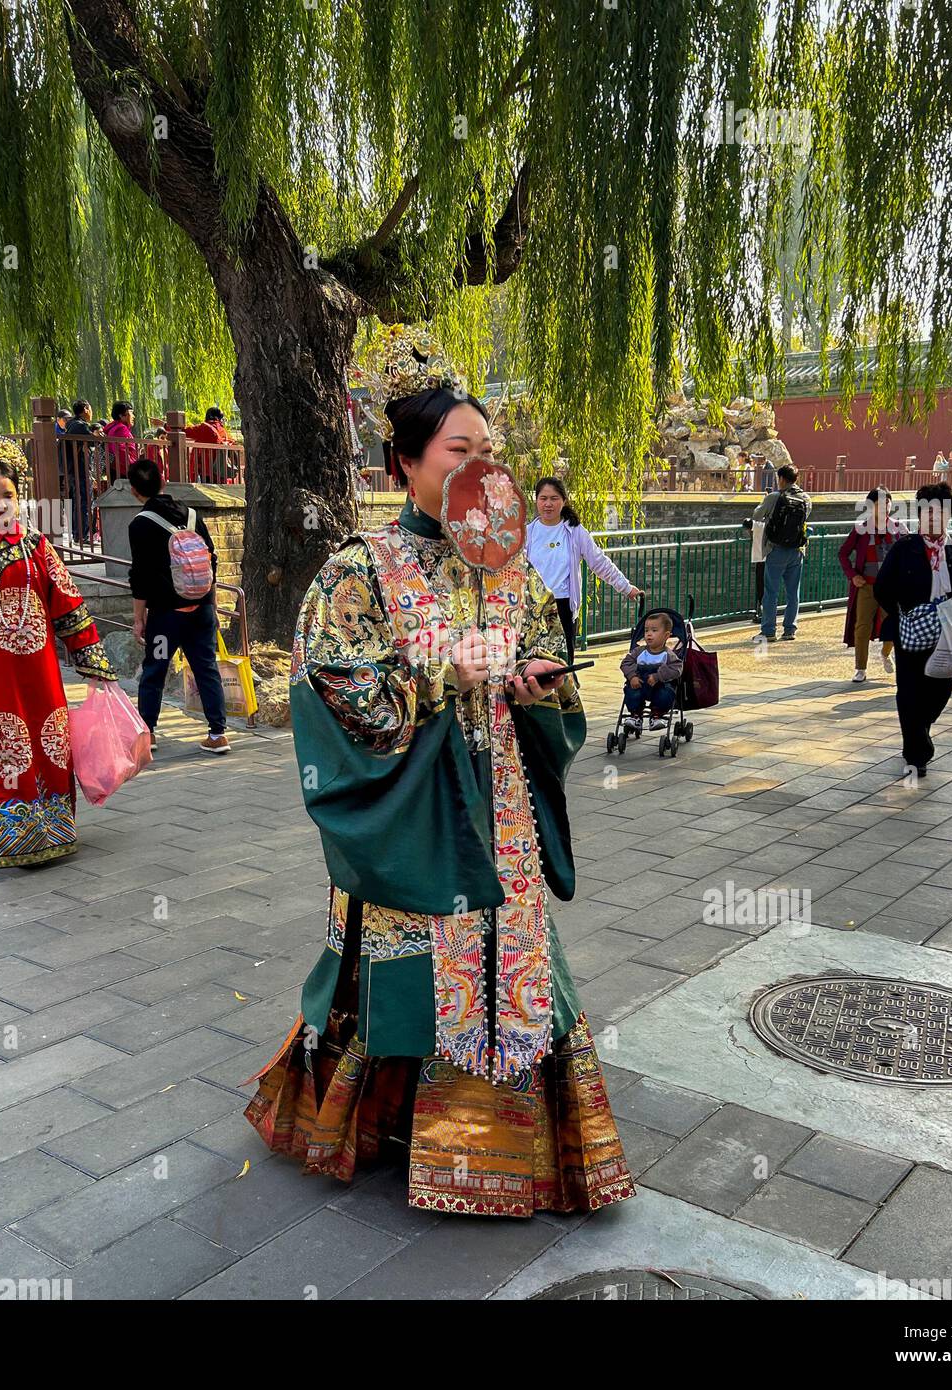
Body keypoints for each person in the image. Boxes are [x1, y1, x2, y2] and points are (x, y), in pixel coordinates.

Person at [244, 379, 635, 1218]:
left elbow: (542, 654)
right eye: (460, 452)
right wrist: (434, 675)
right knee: (416, 957)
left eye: (489, 454)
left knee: (512, 953)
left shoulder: (512, 567)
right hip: (419, 810)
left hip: (504, 810)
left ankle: (503, 1145)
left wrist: (537, 683)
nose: (481, 468)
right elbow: (332, 687)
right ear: (406, 466)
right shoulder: (358, 572)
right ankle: (391, 1132)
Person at [0, 435, 117, 868]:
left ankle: (54, 833)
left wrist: (92, 660)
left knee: (49, 742)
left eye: (8, 495)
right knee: (2, 743)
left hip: (40, 670)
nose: (2, 504)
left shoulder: (36, 546)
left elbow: (67, 602)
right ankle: (13, 840)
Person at [127, 457, 230, 755]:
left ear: (134, 491)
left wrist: (138, 618)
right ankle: (217, 734)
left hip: (165, 617)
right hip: (201, 611)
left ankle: (150, 733)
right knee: (206, 668)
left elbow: (141, 575)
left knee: (155, 669)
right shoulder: (193, 515)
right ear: (163, 481)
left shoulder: (140, 524)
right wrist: (211, 604)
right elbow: (211, 560)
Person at [873, 482, 952, 777]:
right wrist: (907, 613)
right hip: (911, 632)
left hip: (948, 630)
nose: (933, 518)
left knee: (941, 688)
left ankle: (921, 732)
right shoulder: (905, 548)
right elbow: (882, 587)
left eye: (939, 512)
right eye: (927, 511)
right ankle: (916, 754)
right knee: (908, 691)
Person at [525, 476, 643, 663]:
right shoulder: (527, 533)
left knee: (562, 664)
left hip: (562, 606)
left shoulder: (575, 532)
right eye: (543, 498)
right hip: (532, 608)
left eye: (554, 498)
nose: (548, 504)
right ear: (536, 500)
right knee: (533, 663)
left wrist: (626, 587)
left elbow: (600, 563)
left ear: (563, 501)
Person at [838, 487, 900, 683]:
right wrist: (852, 575)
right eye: (879, 503)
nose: (884, 507)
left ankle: (885, 652)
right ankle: (860, 668)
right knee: (862, 626)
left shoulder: (899, 528)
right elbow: (843, 554)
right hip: (866, 586)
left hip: (890, 587)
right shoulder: (861, 529)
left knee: (893, 624)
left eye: (887, 502)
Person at [752, 464, 811, 642]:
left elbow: (756, 515)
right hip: (797, 550)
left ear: (782, 479)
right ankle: (790, 629)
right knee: (793, 592)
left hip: (776, 549)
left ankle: (769, 630)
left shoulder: (774, 497)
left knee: (771, 591)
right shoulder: (806, 498)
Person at [620, 610, 684, 731]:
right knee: (631, 691)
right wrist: (632, 676)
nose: (649, 634)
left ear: (666, 635)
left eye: (654, 631)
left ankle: (657, 714)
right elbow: (626, 663)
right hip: (639, 684)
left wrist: (658, 676)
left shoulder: (668, 655)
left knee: (666, 693)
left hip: (660, 686)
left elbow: (677, 669)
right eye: (646, 630)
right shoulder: (639, 652)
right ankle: (635, 715)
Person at [62, 400, 99, 542]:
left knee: (78, 501)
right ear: (85, 409)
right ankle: (82, 534)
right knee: (84, 501)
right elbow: (93, 442)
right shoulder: (80, 426)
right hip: (80, 470)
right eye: (90, 408)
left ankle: (78, 533)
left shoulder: (71, 424)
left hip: (74, 470)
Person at [102, 401, 137, 482]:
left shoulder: (113, 428)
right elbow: (121, 451)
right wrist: (132, 467)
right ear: (121, 416)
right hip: (123, 471)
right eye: (131, 413)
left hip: (116, 470)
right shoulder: (120, 428)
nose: (133, 416)